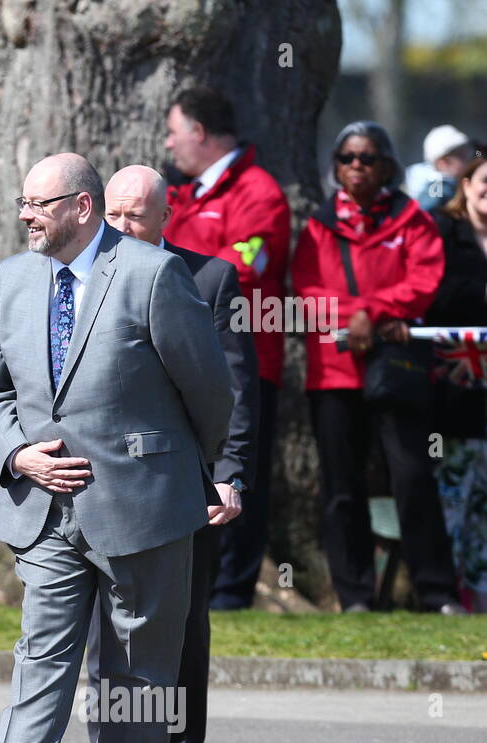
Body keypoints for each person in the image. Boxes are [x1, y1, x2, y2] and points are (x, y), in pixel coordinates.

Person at [0, 154, 232, 743]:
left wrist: (179, 467)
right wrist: (17, 452)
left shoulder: (152, 273)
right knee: (42, 646)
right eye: (23, 203)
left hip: (143, 503)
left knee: (134, 658)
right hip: (43, 504)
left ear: (82, 207)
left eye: (39, 203)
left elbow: (210, 390)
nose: (25, 214)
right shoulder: (12, 278)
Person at [87, 165, 258, 743]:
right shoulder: (81, 277)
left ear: (167, 216)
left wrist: (227, 475)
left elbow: (233, 388)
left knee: (178, 626)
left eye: (137, 216)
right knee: (108, 633)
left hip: (183, 483)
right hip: (101, 480)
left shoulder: (209, 278)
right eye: (114, 215)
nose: (124, 228)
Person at [292, 121, 463, 614]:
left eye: (367, 158)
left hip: (396, 368)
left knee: (413, 478)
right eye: (347, 157)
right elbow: (306, 293)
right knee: (341, 486)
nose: (357, 167)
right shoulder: (320, 226)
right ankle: (355, 597)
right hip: (334, 369)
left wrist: (375, 312)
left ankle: (436, 591)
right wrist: (362, 317)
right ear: (336, 167)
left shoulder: (412, 219)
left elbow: (426, 278)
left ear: (386, 165)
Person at [164, 86, 291, 611]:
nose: (168, 145)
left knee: (238, 470)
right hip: (178, 362)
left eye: (174, 132)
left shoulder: (260, 193)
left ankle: (234, 590)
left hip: (242, 357)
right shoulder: (181, 193)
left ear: (198, 132)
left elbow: (241, 266)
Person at [424, 153, 487, 611]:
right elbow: (434, 295)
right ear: (465, 183)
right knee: (451, 500)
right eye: (483, 181)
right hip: (452, 392)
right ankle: (447, 594)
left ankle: (481, 593)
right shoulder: (443, 233)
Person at [406, 125, 475, 213]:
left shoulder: (448, 187)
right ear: (443, 163)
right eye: (463, 155)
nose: (470, 159)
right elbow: (424, 213)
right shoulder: (438, 190)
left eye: (469, 152)